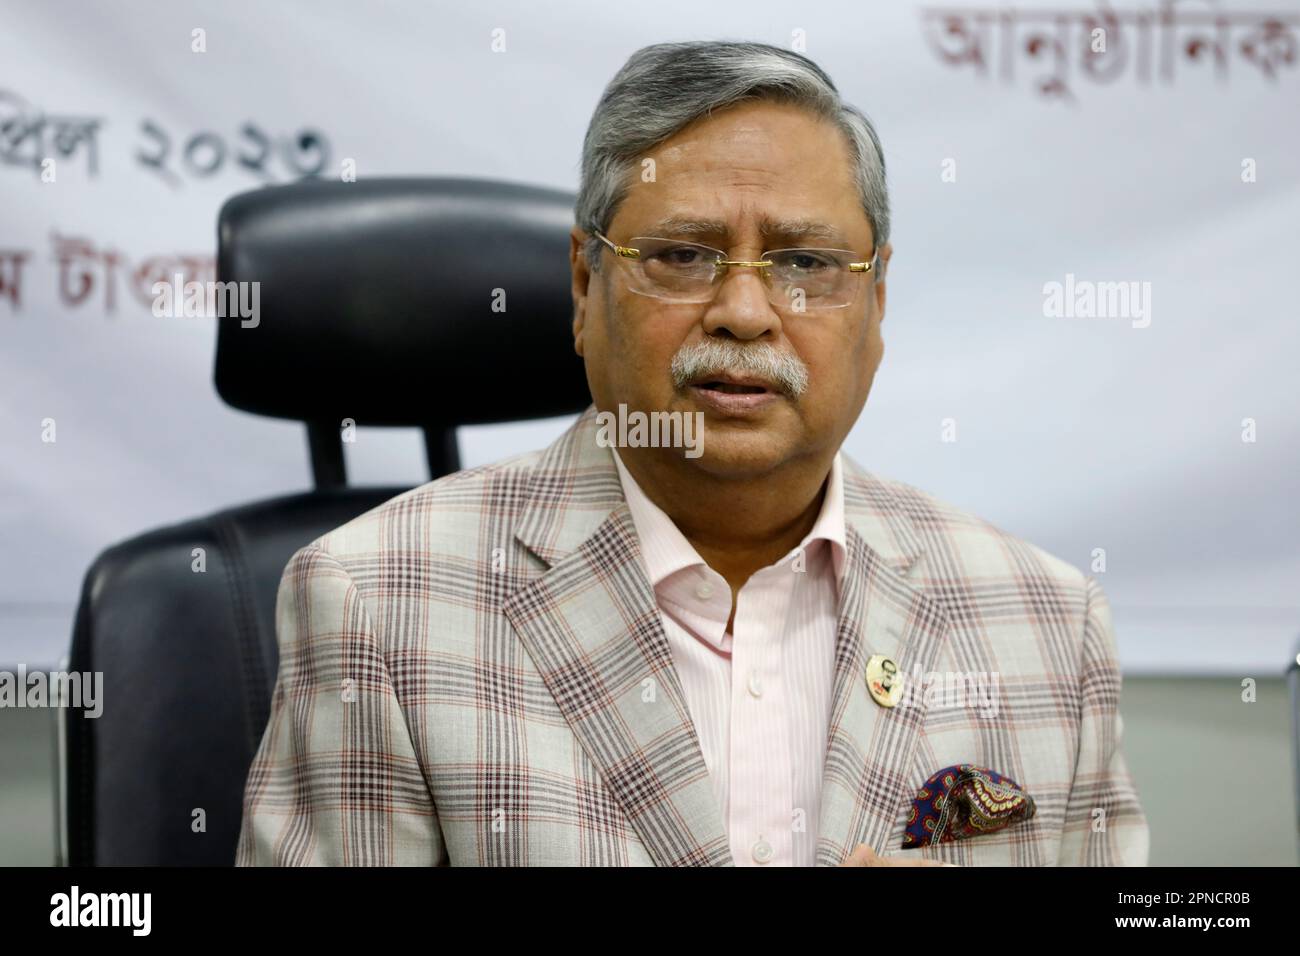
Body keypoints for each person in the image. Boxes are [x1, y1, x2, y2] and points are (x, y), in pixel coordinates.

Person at [237, 40, 1148, 867]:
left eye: (805, 263)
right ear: (585, 287)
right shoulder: (379, 604)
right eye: (681, 255)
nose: (745, 313)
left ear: (876, 306)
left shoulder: (1047, 625)